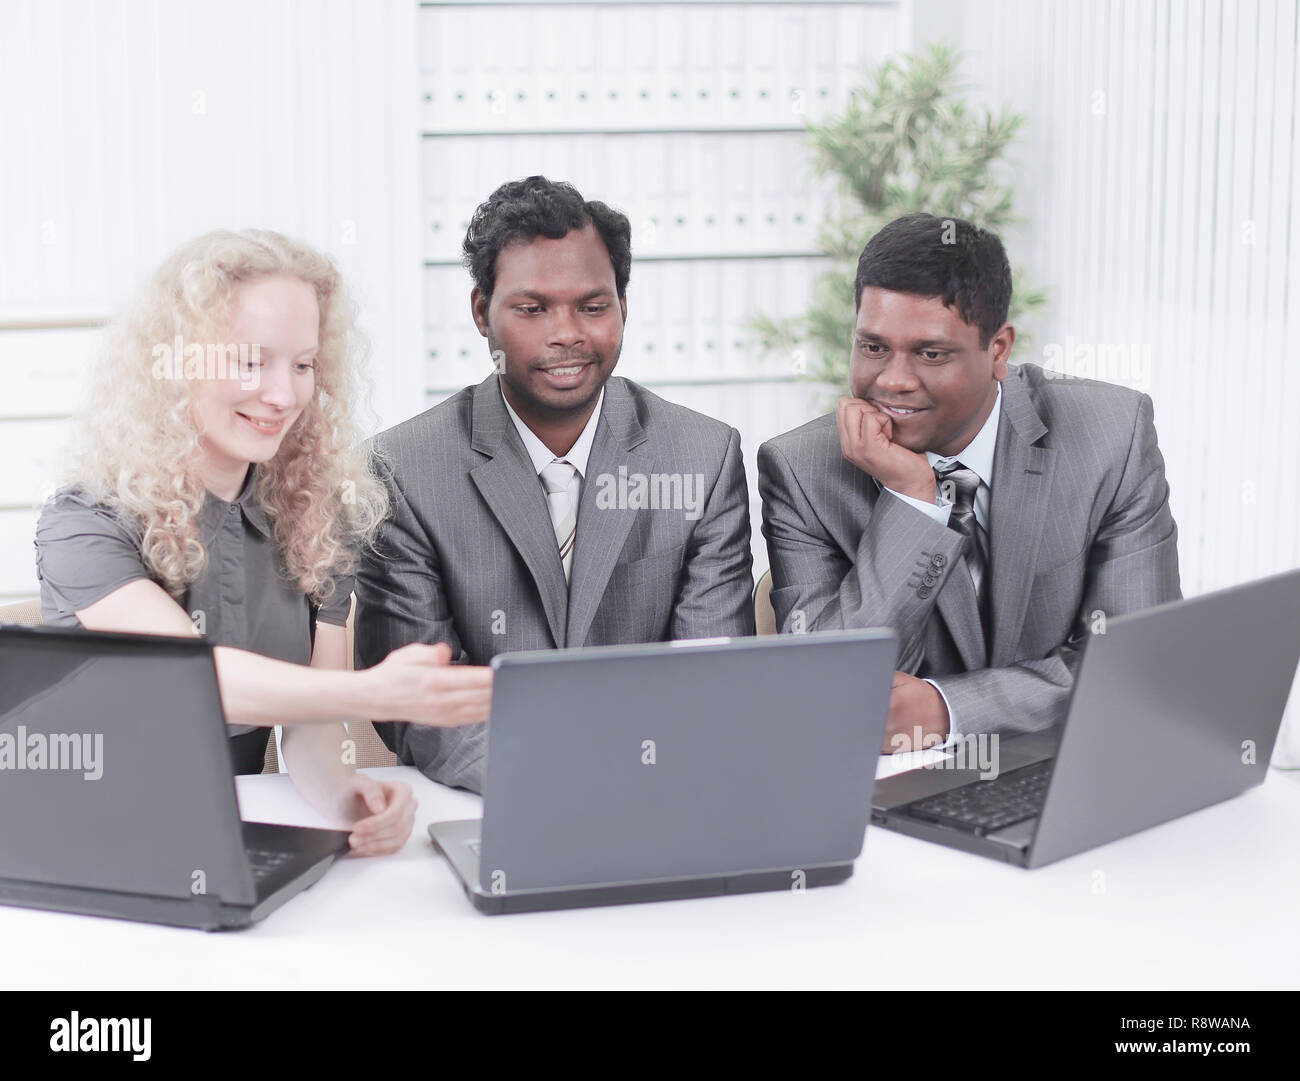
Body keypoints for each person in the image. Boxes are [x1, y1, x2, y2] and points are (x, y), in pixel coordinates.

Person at [34, 229, 493, 855]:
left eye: (302, 365)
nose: (283, 395)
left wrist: (344, 801)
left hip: (229, 835)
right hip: (88, 833)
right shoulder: (84, 520)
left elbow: (309, 730)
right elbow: (190, 680)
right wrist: (373, 691)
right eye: (251, 361)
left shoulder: (315, 515)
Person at [356, 176, 755, 792]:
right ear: (480, 312)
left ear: (623, 304)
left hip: (662, 791)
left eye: (592, 307)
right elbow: (422, 705)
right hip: (492, 801)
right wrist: (559, 780)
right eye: (532, 308)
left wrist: (639, 776)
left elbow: (711, 678)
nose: (566, 332)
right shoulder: (403, 469)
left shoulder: (703, 457)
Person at [758, 212, 1181, 752]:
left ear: (998, 349)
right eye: (873, 347)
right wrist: (913, 503)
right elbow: (830, 695)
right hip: (892, 800)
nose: (893, 380)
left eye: (931, 354)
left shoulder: (1110, 436)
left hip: (1068, 768)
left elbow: (1139, 668)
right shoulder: (802, 471)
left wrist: (949, 708)